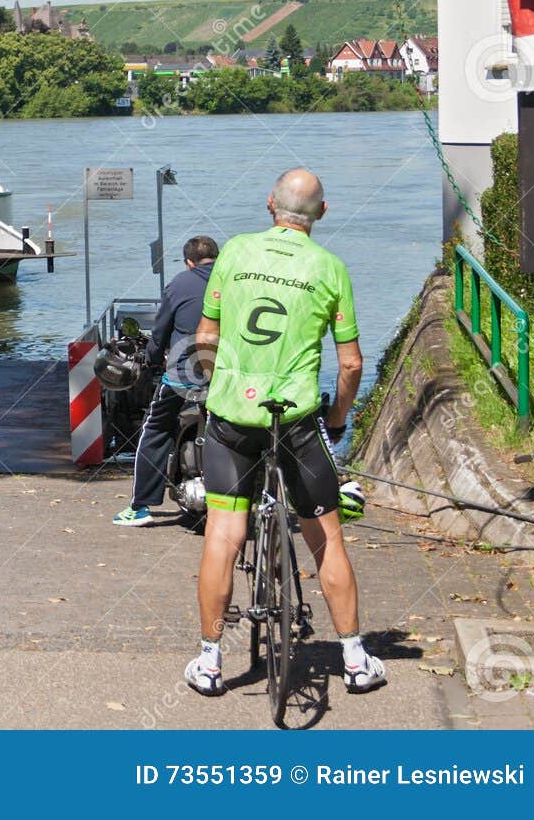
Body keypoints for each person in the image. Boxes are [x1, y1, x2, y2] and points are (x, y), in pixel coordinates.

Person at [184, 169, 382, 698]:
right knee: (326, 537)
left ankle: (208, 660)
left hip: (231, 418)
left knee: (223, 536)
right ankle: (356, 658)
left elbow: (206, 335)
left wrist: (212, 386)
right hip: (292, 420)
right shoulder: (331, 269)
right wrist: (337, 418)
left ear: (270, 203)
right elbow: (352, 365)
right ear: (322, 212)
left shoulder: (233, 254)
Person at [112, 235, 219, 527]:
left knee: (156, 430)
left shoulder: (179, 285)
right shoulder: (234, 282)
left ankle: (141, 507)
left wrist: (152, 357)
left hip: (184, 376)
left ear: (188, 262)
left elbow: (160, 332)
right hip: (226, 377)